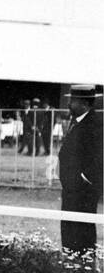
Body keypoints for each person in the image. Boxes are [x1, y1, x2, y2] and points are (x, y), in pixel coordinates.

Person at [58, 84, 102, 253]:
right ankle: (71, 260)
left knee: (83, 229)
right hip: (71, 188)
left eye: (73, 101)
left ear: (84, 103)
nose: (69, 104)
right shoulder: (76, 121)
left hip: (83, 190)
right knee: (69, 228)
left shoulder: (95, 125)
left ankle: (84, 265)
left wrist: (85, 179)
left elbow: (98, 157)